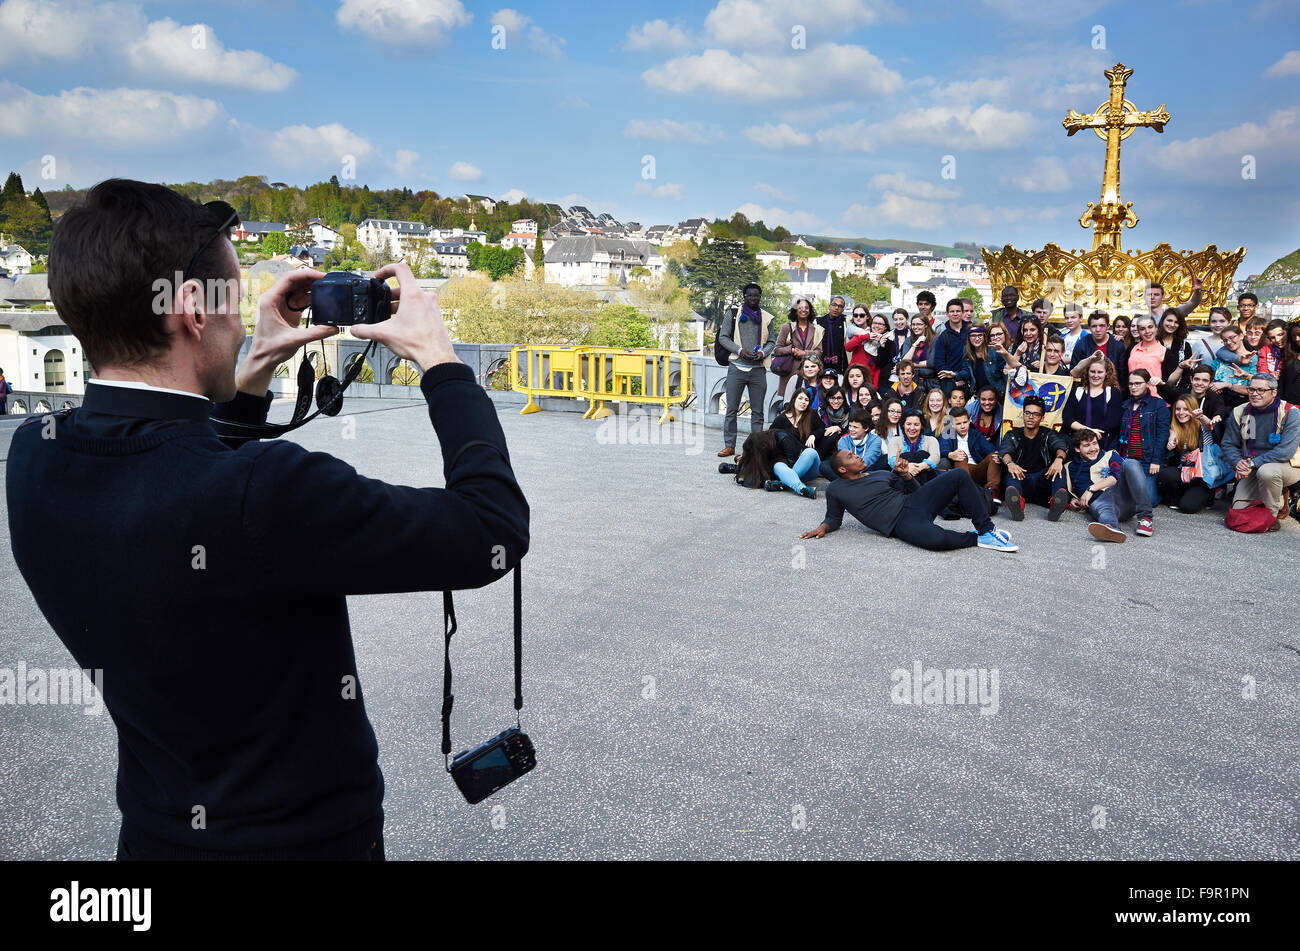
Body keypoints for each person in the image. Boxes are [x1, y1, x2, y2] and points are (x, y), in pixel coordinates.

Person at [6, 179, 530, 860]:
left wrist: (251, 363)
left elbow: (171, 468)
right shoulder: (263, 493)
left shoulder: (34, 459)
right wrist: (441, 364)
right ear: (191, 310)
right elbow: (491, 527)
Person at [800, 452, 1018, 552]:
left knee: (959, 476)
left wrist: (905, 475)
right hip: (900, 523)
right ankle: (977, 539)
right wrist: (823, 527)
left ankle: (987, 531)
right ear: (842, 469)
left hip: (915, 503)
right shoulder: (836, 489)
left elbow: (917, 491)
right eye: (851, 457)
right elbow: (834, 518)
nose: (857, 457)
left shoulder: (882, 474)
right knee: (936, 541)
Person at [1219, 372, 1300, 522]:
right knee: (1238, 509)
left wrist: (1251, 463)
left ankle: (1271, 516)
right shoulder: (1241, 411)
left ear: (1274, 392)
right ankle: (1275, 493)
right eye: (1251, 389)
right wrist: (1238, 463)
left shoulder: (1291, 412)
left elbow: (1285, 452)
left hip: (1286, 465)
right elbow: (1228, 443)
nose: (1255, 394)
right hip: (1252, 466)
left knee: (1267, 472)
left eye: (1261, 390)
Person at [717, 281, 777, 457]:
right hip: (737, 367)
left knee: (757, 412)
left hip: (758, 369)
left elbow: (772, 341)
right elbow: (723, 337)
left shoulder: (767, 317)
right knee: (731, 410)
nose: (753, 298)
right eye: (749, 295)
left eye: (756, 295)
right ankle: (729, 445)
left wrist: (763, 353)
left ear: (760, 297)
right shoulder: (734, 314)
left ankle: (756, 447)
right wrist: (739, 350)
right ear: (744, 297)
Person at [1063, 430, 1148, 543]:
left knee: (1130, 463)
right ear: (1077, 449)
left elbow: (1115, 476)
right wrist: (1074, 499)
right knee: (1103, 511)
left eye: (1094, 443)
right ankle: (1112, 529)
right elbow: (1073, 489)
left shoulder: (1110, 455)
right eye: (1087, 445)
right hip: (1100, 504)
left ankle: (1146, 518)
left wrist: (1091, 489)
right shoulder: (1069, 467)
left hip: (1122, 497)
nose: (1093, 449)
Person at [998, 394, 1071, 521]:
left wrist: (1059, 460)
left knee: (1059, 469)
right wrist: (1010, 463)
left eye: (1036, 414)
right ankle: (1017, 504)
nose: (1031, 417)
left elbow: (1060, 446)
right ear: (1023, 415)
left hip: (1043, 481)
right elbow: (1005, 451)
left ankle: (1056, 504)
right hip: (1021, 479)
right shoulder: (1013, 434)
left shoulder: (1048, 434)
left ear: (1042, 418)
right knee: (1012, 471)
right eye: (1027, 413)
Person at [1117, 367, 1170, 523]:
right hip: (1125, 458)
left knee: (1151, 500)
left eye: (1138, 383)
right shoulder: (1125, 405)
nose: (1133, 387)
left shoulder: (1158, 405)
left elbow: (1162, 434)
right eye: (1131, 384)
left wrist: (1156, 460)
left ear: (1147, 384)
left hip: (1146, 460)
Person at [1157, 394, 1217, 513]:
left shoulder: (1201, 427)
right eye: (1178, 409)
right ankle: (1178, 497)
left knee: (1188, 507)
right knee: (1166, 474)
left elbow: (1209, 425)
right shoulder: (1175, 427)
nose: (1181, 412)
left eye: (1186, 409)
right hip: (1184, 472)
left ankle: (1207, 494)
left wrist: (1200, 416)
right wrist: (1171, 437)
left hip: (1202, 475)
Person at [766, 387, 824, 497]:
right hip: (787, 463)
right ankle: (801, 488)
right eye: (800, 398)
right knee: (777, 466)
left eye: (806, 400)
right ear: (793, 400)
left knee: (810, 452)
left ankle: (784, 483)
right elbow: (770, 437)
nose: (803, 402)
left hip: (808, 465)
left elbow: (822, 428)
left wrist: (813, 435)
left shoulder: (812, 415)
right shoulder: (781, 419)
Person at [1062, 353, 1124, 450]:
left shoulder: (1113, 393)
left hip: (1104, 445)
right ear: (1087, 372)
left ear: (1106, 373)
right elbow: (1067, 418)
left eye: (1100, 372)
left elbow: (1113, 421)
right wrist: (1089, 431)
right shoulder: (1077, 392)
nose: (1095, 375)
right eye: (1092, 371)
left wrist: (1092, 435)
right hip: (1079, 445)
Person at [939, 407, 1001, 499]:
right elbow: (943, 450)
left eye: (965, 422)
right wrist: (951, 454)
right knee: (960, 455)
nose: (963, 426)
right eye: (958, 424)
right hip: (960, 470)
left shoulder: (975, 434)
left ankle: (992, 491)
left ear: (969, 421)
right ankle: (968, 492)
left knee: (994, 456)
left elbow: (990, 449)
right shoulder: (948, 434)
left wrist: (997, 455)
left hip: (977, 469)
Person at [772, 297, 823, 397]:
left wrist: (805, 353)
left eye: (806, 307)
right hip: (789, 371)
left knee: (808, 403)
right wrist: (791, 350)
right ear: (795, 310)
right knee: (787, 404)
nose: (803, 310)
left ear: (810, 310)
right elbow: (777, 350)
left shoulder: (816, 330)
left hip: (809, 373)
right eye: (800, 307)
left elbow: (819, 352)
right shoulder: (787, 327)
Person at [822, 408, 882, 481]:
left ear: (866, 428)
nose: (851, 429)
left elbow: (868, 460)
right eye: (850, 426)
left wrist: (859, 474)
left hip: (867, 471)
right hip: (849, 474)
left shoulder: (875, 440)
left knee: (883, 461)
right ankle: (854, 484)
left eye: (855, 427)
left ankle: (850, 484)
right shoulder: (843, 440)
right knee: (824, 466)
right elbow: (844, 463)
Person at [886, 408, 941, 484]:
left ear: (921, 426)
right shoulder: (895, 440)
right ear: (903, 425)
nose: (912, 428)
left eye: (916, 425)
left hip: (927, 480)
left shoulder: (931, 440)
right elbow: (892, 459)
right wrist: (907, 467)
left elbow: (936, 457)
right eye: (908, 424)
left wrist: (920, 466)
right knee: (906, 456)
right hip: (902, 480)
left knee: (922, 455)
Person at [930, 298, 972, 395]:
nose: (955, 314)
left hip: (971, 378)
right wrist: (954, 377)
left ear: (962, 313)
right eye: (952, 311)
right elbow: (939, 362)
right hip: (950, 381)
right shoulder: (943, 337)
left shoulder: (970, 331)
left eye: (958, 311)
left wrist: (962, 377)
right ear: (947, 314)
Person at [1210, 324, 1254, 409]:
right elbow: (1208, 374)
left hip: (1241, 406)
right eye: (1225, 340)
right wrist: (1213, 385)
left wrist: (1226, 385)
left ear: (1241, 336)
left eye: (1232, 338)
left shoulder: (1253, 358)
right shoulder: (1221, 357)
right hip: (1218, 404)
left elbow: (1254, 389)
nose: (1229, 342)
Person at [964, 323, 1008, 399]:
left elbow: (1005, 374)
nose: (977, 338)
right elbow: (966, 371)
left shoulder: (994, 351)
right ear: (969, 338)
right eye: (973, 335)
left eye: (980, 335)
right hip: (979, 396)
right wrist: (956, 375)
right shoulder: (967, 352)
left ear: (984, 336)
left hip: (997, 395)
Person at [1127, 315, 1165, 396]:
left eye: (1150, 327)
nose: (1147, 331)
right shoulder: (1132, 348)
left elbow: (1168, 382)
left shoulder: (1164, 351)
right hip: (1133, 397)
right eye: (1142, 329)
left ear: (1156, 328)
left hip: (1154, 399)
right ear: (1138, 331)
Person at [1187, 365, 1227, 437]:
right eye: (1196, 379)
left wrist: (1217, 416)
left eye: (1205, 380)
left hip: (1203, 439)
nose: (1199, 383)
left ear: (1211, 383)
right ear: (1191, 379)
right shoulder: (1182, 394)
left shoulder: (1214, 398)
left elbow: (1221, 408)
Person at [818, 295, 849, 376]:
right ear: (829, 306)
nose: (836, 308)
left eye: (840, 306)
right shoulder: (819, 322)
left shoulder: (846, 323)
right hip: (821, 365)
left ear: (842, 310)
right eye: (834, 305)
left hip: (840, 366)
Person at [902, 313, 936, 380]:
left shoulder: (935, 339)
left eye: (919, 324)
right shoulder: (908, 340)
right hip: (912, 380)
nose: (915, 327)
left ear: (926, 325)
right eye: (913, 324)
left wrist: (911, 364)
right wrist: (915, 345)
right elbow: (904, 361)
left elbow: (932, 363)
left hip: (931, 380)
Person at [885, 307, 911, 383]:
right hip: (891, 376)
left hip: (909, 374)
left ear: (907, 319)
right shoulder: (888, 336)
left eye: (901, 319)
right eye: (895, 319)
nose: (898, 322)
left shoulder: (913, 336)